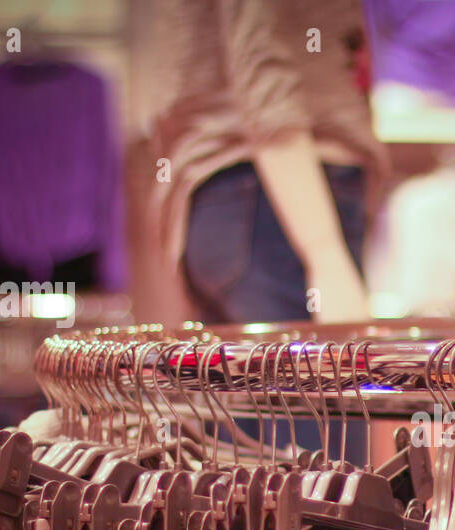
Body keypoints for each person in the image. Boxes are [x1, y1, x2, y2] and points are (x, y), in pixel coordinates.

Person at [135, 0, 387, 325]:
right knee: (303, 372)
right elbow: (265, 80)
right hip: (281, 200)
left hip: (234, 199)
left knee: (249, 375)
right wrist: (324, 254)